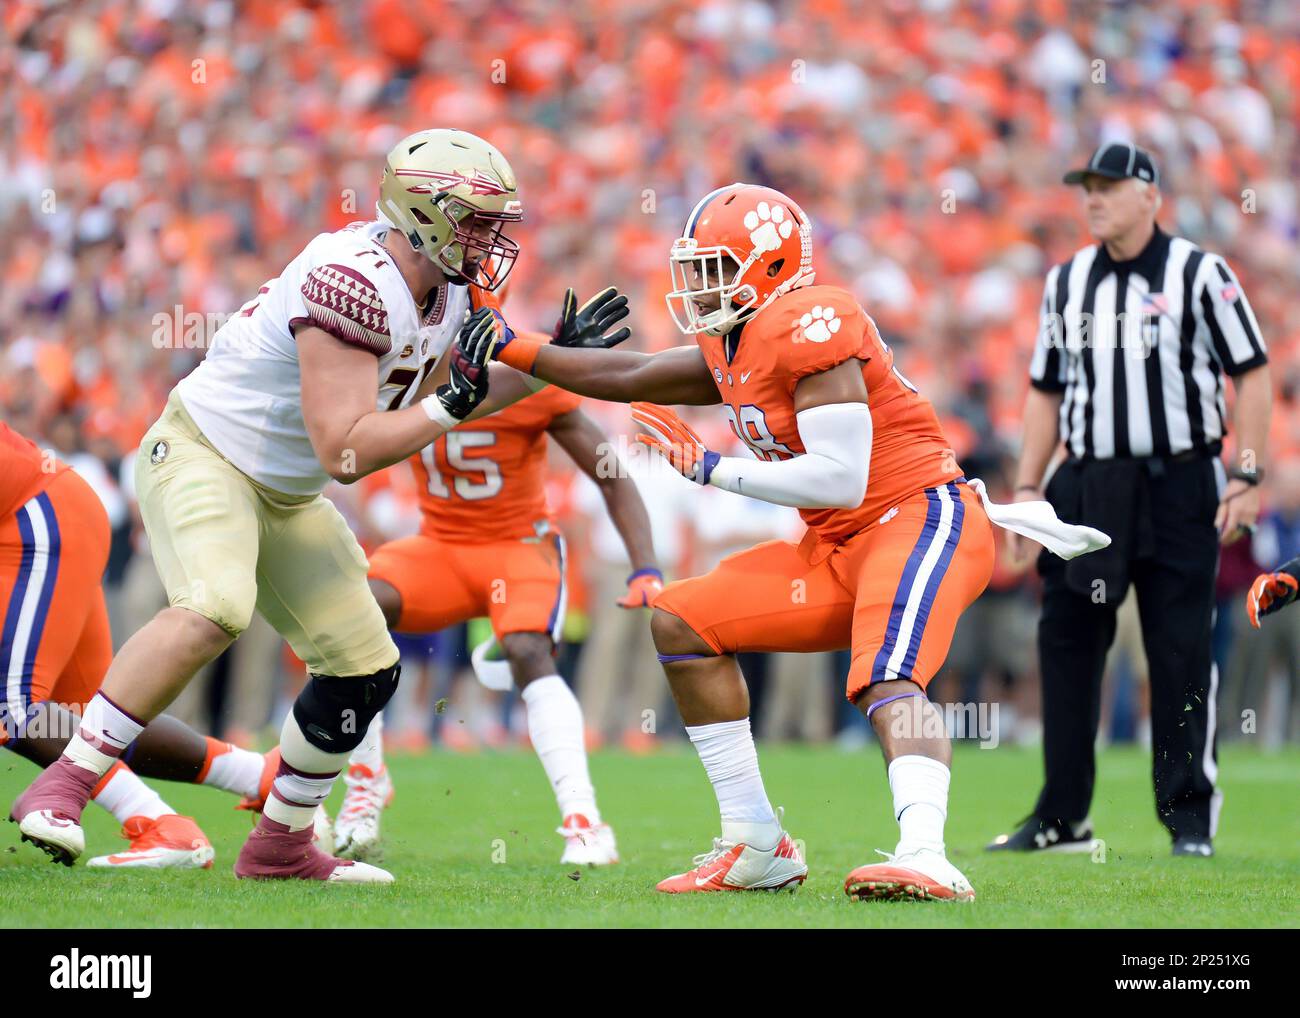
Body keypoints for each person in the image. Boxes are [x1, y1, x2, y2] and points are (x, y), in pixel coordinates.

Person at [10, 128, 627, 883]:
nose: (489, 239)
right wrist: (455, 404)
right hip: (208, 454)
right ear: (422, 214)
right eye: (474, 220)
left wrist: (543, 367)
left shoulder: (451, 288)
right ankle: (65, 784)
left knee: (366, 669)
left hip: (287, 491)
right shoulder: (352, 280)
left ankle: (282, 846)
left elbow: (436, 395)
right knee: (215, 607)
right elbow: (350, 451)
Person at [470, 182, 1018, 900]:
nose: (696, 285)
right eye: (692, 269)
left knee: (887, 674)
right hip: (838, 546)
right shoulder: (739, 340)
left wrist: (710, 469)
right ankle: (758, 843)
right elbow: (631, 373)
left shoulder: (810, 322)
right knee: (683, 620)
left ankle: (925, 852)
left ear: (768, 266)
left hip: (917, 518)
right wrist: (516, 344)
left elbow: (842, 480)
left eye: (713, 269)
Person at [989, 143, 1272, 858]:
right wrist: (1027, 488)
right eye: (1087, 188)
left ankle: (1188, 822)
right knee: (1069, 644)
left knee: (1179, 648)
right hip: (1089, 486)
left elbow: (1254, 374)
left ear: (1150, 196)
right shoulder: (1067, 282)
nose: (1093, 200)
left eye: (1108, 188)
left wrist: (1245, 472)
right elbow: (1045, 392)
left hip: (1179, 481)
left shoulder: (1199, 274)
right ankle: (1061, 817)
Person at [333, 330, 661, 865]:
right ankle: (366, 781)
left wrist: (646, 565)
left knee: (528, 650)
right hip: (439, 545)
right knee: (350, 612)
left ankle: (584, 820)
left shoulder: (527, 379)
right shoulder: (401, 371)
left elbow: (611, 476)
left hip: (517, 545)